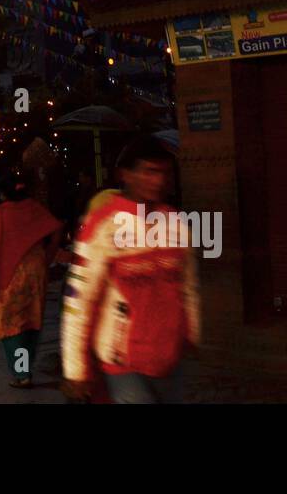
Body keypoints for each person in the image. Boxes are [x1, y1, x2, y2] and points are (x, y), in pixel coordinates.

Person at [61, 136, 199, 404]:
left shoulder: (176, 223)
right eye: (149, 171)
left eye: (164, 172)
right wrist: (75, 370)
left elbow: (188, 284)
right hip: (123, 360)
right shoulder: (102, 225)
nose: (158, 181)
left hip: (170, 357)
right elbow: (78, 300)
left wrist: (191, 332)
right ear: (125, 174)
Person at [0, 172, 62, 388]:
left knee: (11, 326)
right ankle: (25, 369)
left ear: (2, 194)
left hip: (9, 274)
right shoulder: (35, 208)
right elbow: (57, 229)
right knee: (31, 321)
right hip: (36, 271)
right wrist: (46, 258)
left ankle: (22, 373)